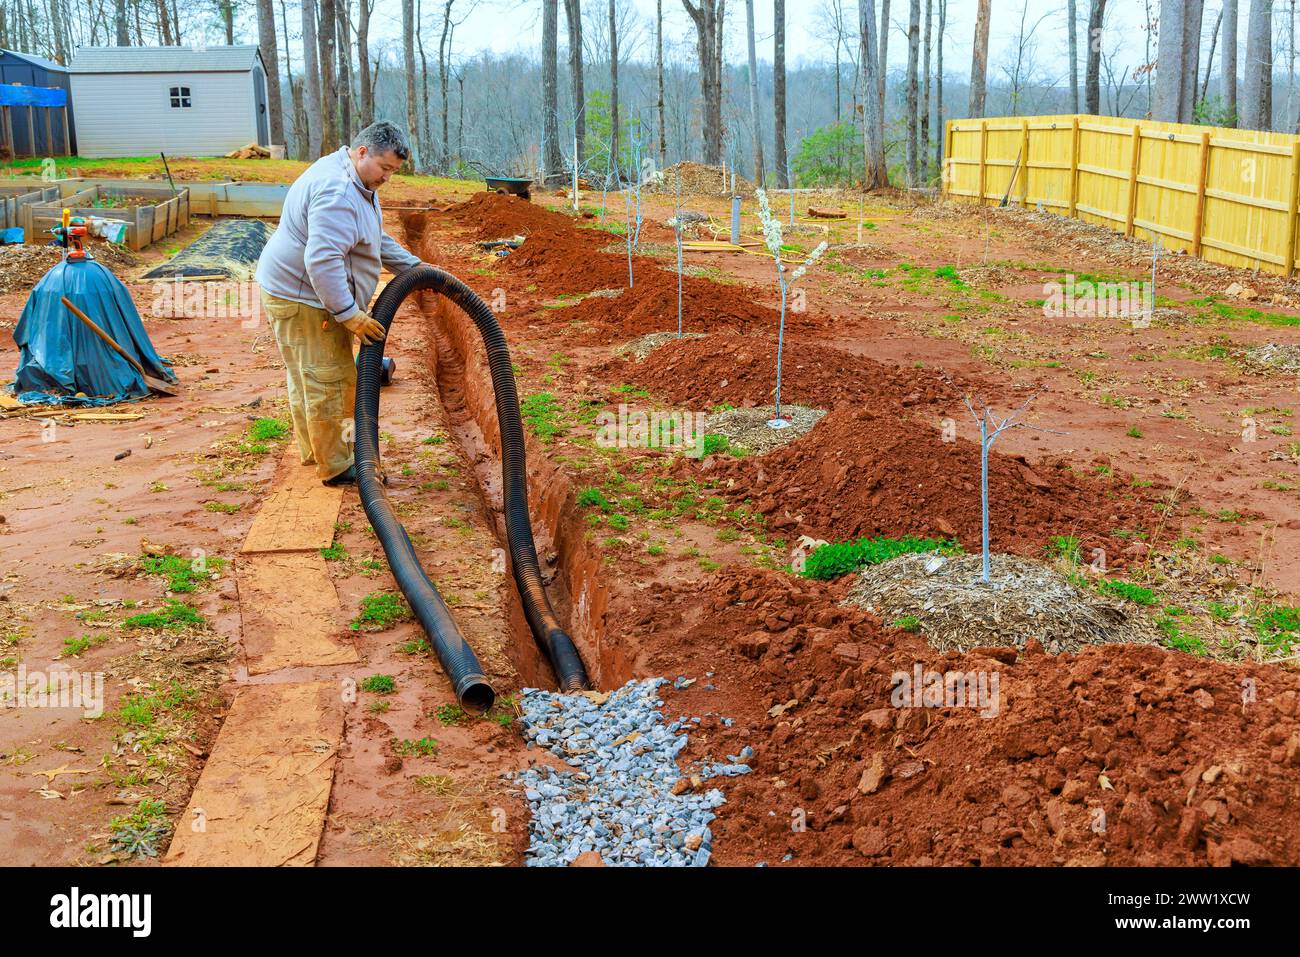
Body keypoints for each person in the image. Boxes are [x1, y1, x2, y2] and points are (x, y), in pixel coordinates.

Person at [255, 121, 422, 485]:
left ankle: (317, 449)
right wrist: (350, 315)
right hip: (305, 298)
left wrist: (418, 269)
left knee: (307, 375)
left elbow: (371, 237)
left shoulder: (353, 175)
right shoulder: (338, 192)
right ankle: (337, 464)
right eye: (385, 168)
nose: (387, 179)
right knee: (331, 380)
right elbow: (322, 261)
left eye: (393, 171)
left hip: (292, 291)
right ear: (362, 152)